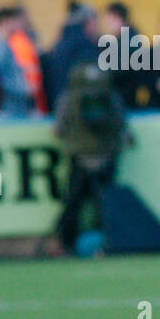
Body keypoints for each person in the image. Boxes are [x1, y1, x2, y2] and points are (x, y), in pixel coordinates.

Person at [52, 61, 130, 254]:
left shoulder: (68, 98)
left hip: (79, 158)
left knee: (73, 203)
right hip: (106, 157)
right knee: (105, 205)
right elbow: (122, 127)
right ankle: (109, 244)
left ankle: (66, 244)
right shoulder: (111, 96)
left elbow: (58, 129)